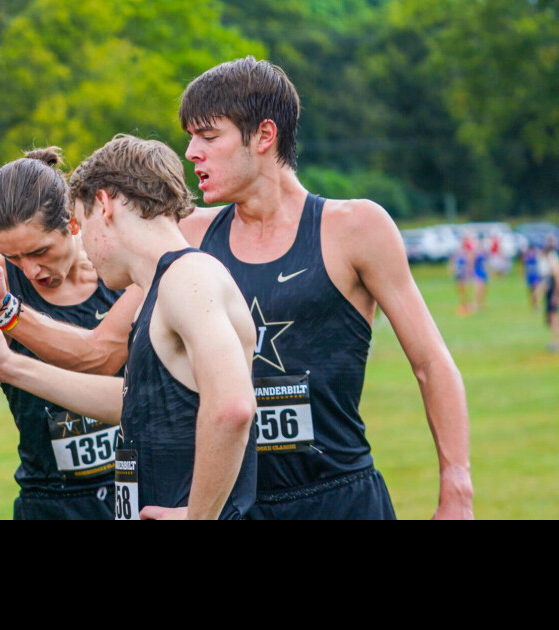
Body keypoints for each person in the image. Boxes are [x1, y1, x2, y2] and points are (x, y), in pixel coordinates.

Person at [178, 56, 471, 519]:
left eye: (209, 137)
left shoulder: (355, 227)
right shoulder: (188, 236)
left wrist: (457, 489)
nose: (192, 151)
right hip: (231, 507)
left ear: (264, 136)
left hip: (342, 499)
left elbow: (432, 363)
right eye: (191, 137)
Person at [0, 135, 258, 520]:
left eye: (80, 223)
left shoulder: (188, 279)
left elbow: (233, 408)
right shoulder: (163, 286)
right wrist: (10, 368)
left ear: (102, 206)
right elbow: (132, 404)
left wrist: (198, 517)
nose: (83, 243)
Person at [0, 146, 144, 520]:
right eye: (14, 257)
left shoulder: (124, 272)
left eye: (39, 251)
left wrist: (6, 314)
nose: (30, 270)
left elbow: (103, 359)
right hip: (48, 502)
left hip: (140, 492)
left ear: (72, 221)